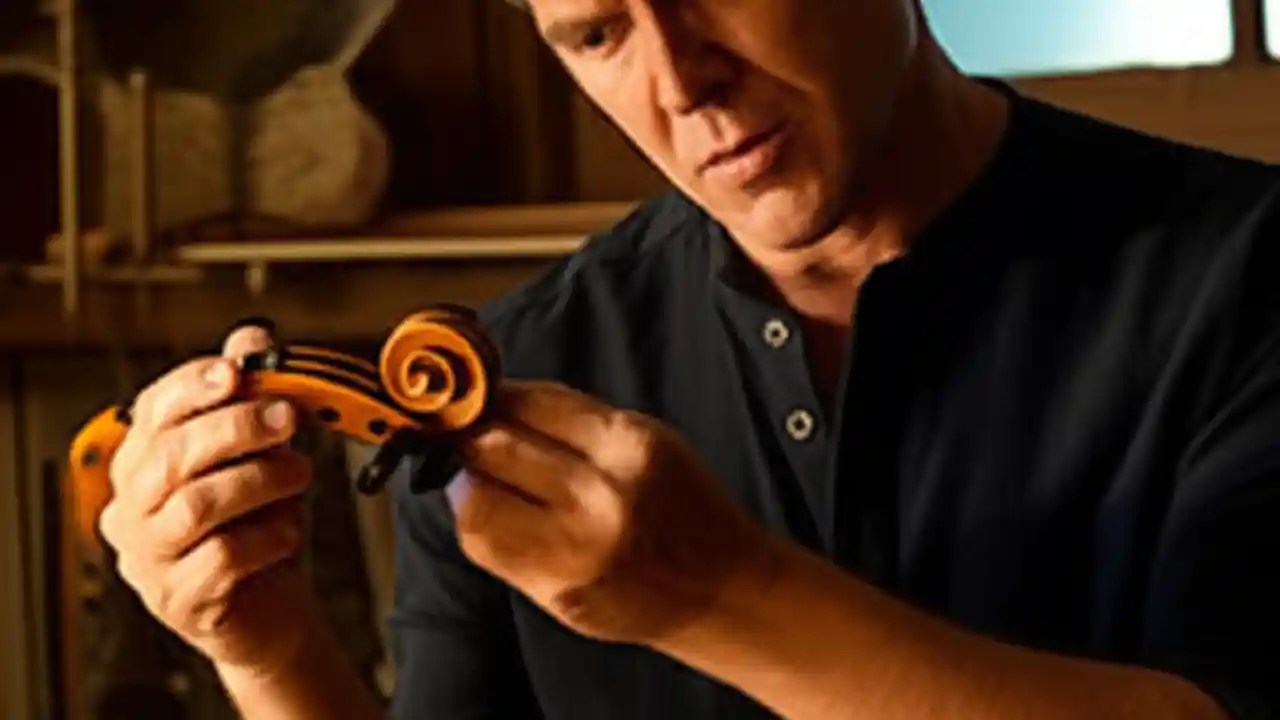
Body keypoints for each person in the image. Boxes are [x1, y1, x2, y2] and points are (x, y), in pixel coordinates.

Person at [96, 0, 1280, 718]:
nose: (676, 85)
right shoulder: (516, 367)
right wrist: (266, 651)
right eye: (595, 33)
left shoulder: (1246, 272)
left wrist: (723, 597)